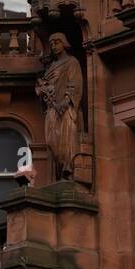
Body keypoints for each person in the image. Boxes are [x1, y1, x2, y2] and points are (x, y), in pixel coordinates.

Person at [36, 33, 84, 180]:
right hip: (52, 107)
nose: (54, 47)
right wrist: (42, 88)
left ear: (64, 43)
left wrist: (65, 102)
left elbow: (75, 84)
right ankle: (60, 167)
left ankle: (68, 170)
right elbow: (43, 84)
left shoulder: (72, 62)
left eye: (57, 43)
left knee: (67, 140)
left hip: (66, 108)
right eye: (51, 45)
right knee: (52, 142)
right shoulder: (51, 67)